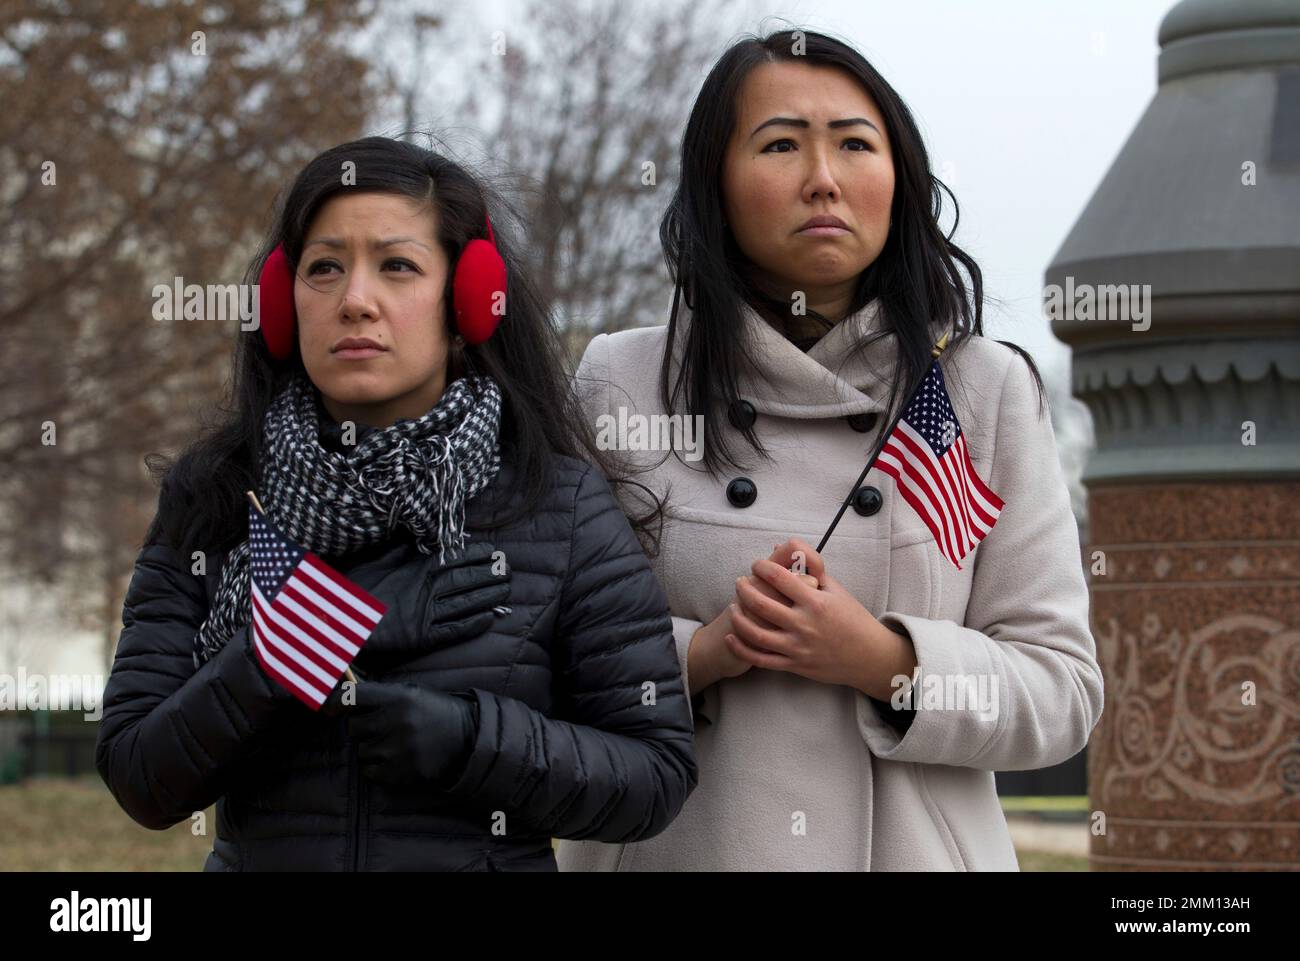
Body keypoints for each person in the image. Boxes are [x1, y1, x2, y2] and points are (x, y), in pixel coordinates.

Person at [557, 29, 1103, 871]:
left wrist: (882, 659)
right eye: (780, 144)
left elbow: (1062, 692)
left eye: (855, 142)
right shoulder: (619, 379)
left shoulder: (983, 389)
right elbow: (548, 647)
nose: (824, 177)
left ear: (900, 179)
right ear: (716, 185)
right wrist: (703, 653)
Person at [95, 135, 697, 871]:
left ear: (467, 304)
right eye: (324, 268)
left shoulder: (560, 505)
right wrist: (305, 640)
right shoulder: (215, 496)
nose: (355, 300)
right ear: (285, 304)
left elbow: (655, 773)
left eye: (397, 266)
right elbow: (139, 775)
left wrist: (471, 740)